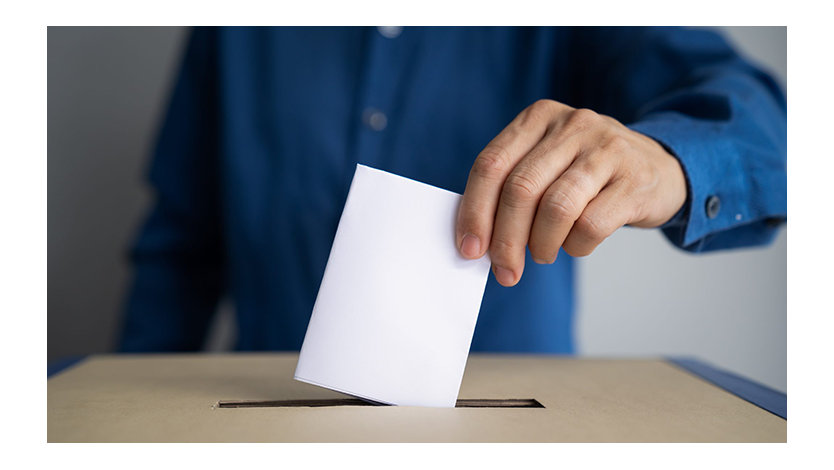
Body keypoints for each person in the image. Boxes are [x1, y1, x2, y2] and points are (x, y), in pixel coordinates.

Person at [119, 27, 786, 354]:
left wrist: (669, 159)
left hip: (513, 425)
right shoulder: (236, 24)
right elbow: (180, 245)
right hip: (267, 418)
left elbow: (770, 124)